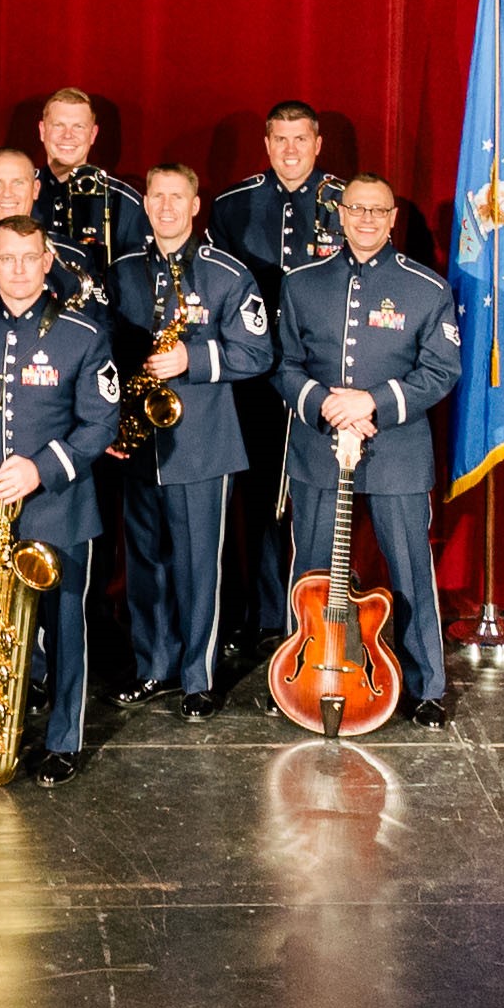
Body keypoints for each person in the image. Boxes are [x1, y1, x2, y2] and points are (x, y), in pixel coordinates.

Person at [274, 173, 462, 728]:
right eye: (356, 209)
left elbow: (441, 371)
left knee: (410, 569)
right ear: (340, 213)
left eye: (378, 211)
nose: (366, 220)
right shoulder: (301, 283)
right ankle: (300, 678)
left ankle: (425, 685)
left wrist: (372, 402)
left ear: (393, 219)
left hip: (396, 450)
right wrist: (326, 404)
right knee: (310, 572)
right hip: (318, 446)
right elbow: (283, 365)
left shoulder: (426, 288)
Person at [0, 216, 120, 785]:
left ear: (46, 263)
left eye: (29, 258)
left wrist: (39, 470)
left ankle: (64, 740)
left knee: (66, 631)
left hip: (60, 509)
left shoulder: (84, 334)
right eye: (7, 258)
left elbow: (101, 423)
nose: (18, 269)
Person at [105, 165, 272, 720]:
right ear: (146, 204)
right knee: (144, 562)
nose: (167, 207)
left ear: (196, 206)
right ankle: (154, 666)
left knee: (200, 566)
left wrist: (191, 359)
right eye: (158, 197)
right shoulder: (123, 270)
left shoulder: (227, 272)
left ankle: (199, 678)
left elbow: (258, 353)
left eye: (178, 197)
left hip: (202, 444)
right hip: (137, 443)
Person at [206, 99, 345, 653]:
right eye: (279, 140)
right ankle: (264, 617)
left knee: (317, 499)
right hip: (255, 377)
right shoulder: (232, 205)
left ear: (318, 144)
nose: (290, 150)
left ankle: (313, 616)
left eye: (300, 139)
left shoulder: (346, 202)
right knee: (259, 497)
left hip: (324, 375)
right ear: (266, 145)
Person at [0, 148, 108, 327]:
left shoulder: (74, 257)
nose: (7, 193)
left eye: (18, 183)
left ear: (35, 189)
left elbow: (98, 331)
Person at [33, 88, 146, 272]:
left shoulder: (124, 203)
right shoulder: (16, 192)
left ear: (93, 134)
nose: (67, 135)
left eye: (78, 127)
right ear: (42, 131)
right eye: (58, 125)